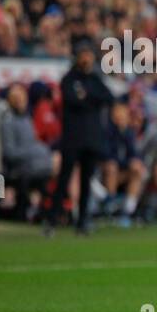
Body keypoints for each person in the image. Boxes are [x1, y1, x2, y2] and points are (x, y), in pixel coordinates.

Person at [45, 38, 114, 235]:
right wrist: (91, 99)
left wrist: (88, 96)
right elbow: (73, 99)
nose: (87, 59)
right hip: (73, 137)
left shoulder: (94, 79)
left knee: (86, 181)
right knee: (64, 179)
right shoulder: (69, 79)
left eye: (89, 54)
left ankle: (83, 220)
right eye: (83, 54)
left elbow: (108, 97)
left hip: (91, 139)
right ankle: (52, 220)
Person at [0, 82, 57, 221]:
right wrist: (34, 152)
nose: (21, 102)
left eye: (22, 98)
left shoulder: (26, 119)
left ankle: (53, 209)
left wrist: (39, 151)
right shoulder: (8, 122)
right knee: (59, 163)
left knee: (61, 161)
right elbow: (9, 152)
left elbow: (34, 143)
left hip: (35, 162)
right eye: (17, 99)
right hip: (20, 166)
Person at [102, 100, 145, 221]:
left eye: (124, 113)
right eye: (118, 112)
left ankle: (128, 210)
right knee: (112, 167)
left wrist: (134, 162)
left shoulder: (128, 132)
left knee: (137, 168)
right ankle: (111, 207)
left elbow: (134, 154)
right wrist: (128, 162)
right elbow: (107, 155)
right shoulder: (107, 131)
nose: (121, 115)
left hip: (123, 171)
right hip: (107, 172)